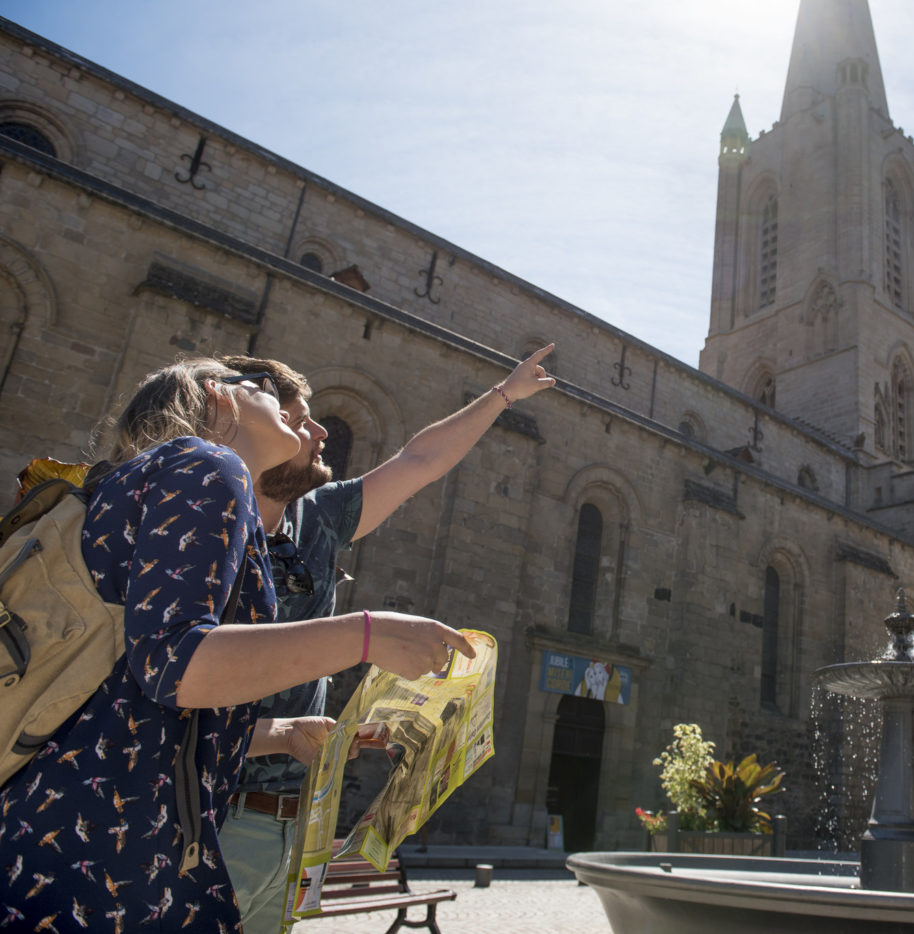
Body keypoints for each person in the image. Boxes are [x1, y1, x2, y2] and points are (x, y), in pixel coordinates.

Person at [0, 358, 470, 930]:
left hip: (70, 828)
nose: (303, 423)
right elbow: (177, 665)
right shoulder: (208, 462)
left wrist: (280, 733)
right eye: (269, 392)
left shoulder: (165, 480)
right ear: (218, 398)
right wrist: (365, 634)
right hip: (105, 851)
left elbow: (138, 697)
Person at [217, 344, 556, 931]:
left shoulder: (316, 518)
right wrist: (283, 731)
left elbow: (419, 460)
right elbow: (164, 689)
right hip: (213, 816)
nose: (320, 431)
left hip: (296, 825)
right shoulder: (203, 527)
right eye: (298, 420)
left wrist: (504, 395)